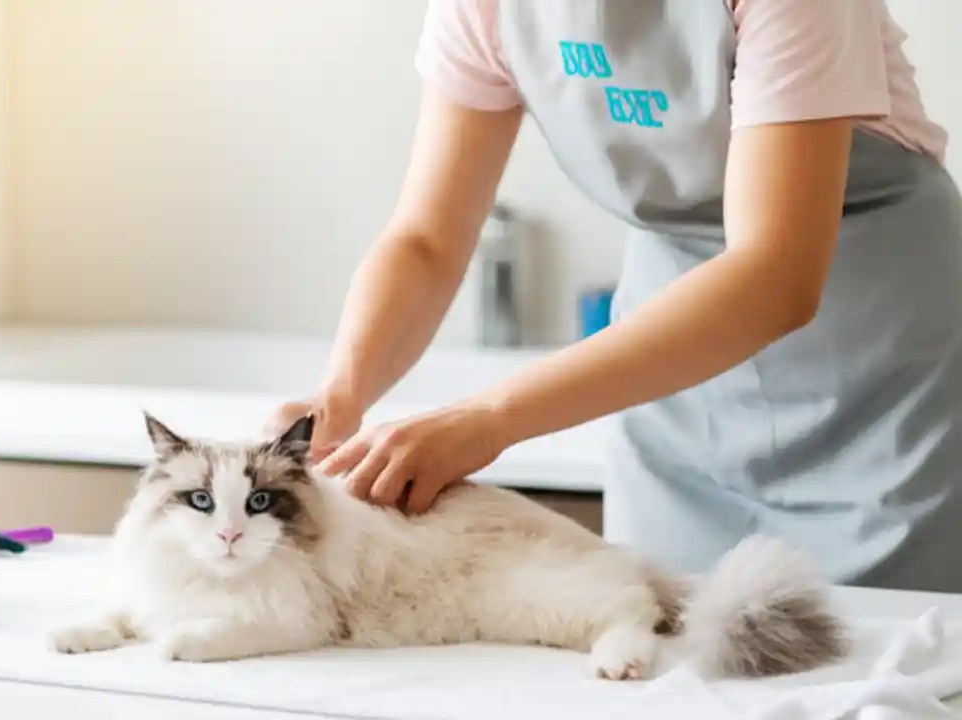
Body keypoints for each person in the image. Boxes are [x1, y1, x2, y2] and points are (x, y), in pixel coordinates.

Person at [268, 0, 962, 593]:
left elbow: (774, 274)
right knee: (665, 651)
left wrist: (489, 419)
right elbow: (427, 240)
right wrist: (340, 398)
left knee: (883, 668)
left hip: (877, 366)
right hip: (671, 372)